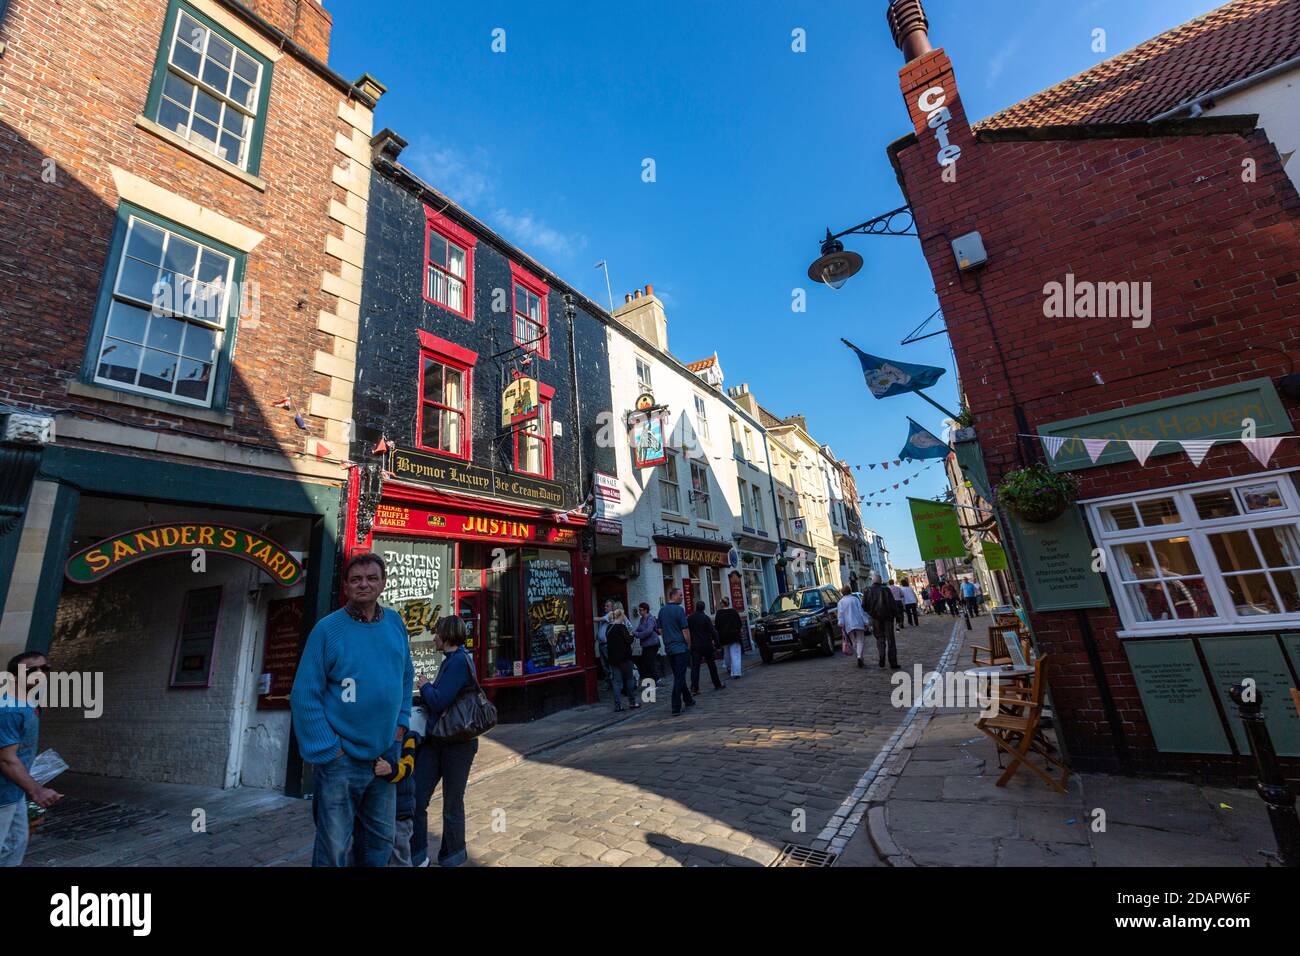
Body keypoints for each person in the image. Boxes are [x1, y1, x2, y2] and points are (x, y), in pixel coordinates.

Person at [291, 552, 413, 868]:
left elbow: (406, 675)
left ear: (383, 584)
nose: (364, 584)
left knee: (379, 843)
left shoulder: (396, 622)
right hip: (341, 761)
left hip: (385, 753)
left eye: (372, 578)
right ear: (345, 585)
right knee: (333, 848)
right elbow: (305, 696)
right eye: (356, 579)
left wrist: (400, 724)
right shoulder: (327, 630)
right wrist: (329, 750)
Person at [412, 615, 480, 867]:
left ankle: (452, 856)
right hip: (436, 741)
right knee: (416, 798)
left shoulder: (459, 661)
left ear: (447, 635)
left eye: (436, 633)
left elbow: (440, 700)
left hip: (457, 743)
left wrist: (425, 686)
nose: (433, 638)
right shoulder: (451, 660)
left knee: (452, 802)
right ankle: (416, 855)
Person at [0, 652, 62, 867]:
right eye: (32, 670)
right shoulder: (9, 709)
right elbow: (6, 760)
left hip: (13, 790)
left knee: (16, 842)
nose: (41, 675)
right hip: (2, 794)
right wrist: (36, 790)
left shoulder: (28, 703)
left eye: (45, 669)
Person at [657, 588, 695, 716]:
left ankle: (688, 699)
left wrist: (667, 640)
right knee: (679, 677)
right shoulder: (679, 610)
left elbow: (660, 630)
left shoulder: (662, 611)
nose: (682, 597)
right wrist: (688, 644)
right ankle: (675, 706)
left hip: (669, 649)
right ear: (673, 596)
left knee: (679, 675)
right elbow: (685, 630)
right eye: (680, 595)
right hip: (680, 648)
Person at [605, 604, 641, 712]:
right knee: (629, 679)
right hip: (624, 658)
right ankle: (632, 702)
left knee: (616, 682)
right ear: (620, 616)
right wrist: (632, 635)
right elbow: (629, 640)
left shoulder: (609, 628)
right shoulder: (621, 627)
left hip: (612, 658)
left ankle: (617, 705)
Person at [862, 573, 900, 669]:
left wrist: (871, 613)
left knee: (880, 639)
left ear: (873, 581)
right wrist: (897, 617)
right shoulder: (886, 590)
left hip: (876, 618)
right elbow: (893, 605)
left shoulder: (867, 590)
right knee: (890, 639)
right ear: (880, 581)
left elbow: (864, 606)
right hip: (888, 618)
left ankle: (882, 657)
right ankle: (893, 662)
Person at [688, 601, 725, 693]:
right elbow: (713, 632)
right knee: (712, 665)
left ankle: (694, 687)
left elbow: (687, 631)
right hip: (706, 645)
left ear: (696, 607)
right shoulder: (705, 618)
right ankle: (717, 684)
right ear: (704, 608)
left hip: (695, 645)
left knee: (695, 667)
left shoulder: (690, 618)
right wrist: (717, 644)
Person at [836, 585, 871, 668]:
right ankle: (859, 656)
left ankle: (859, 657)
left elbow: (840, 614)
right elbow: (861, 611)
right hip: (858, 622)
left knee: (854, 641)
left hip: (848, 625)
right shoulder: (855, 599)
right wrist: (866, 621)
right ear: (850, 591)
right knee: (860, 640)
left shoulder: (840, 602)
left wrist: (841, 623)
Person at [714, 597, 744, 680]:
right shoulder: (733, 612)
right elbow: (739, 623)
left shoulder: (719, 613)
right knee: (735, 654)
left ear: (722, 604)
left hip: (724, 637)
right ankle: (736, 672)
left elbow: (717, 626)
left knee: (727, 653)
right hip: (734, 636)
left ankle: (728, 666)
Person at [633, 603, 662, 685]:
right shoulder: (642, 619)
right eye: (639, 610)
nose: (639, 611)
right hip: (645, 644)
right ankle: (652, 679)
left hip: (652, 644)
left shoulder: (650, 619)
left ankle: (657, 679)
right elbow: (639, 629)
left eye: (641, 610)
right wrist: (634, 632)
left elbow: (648, 632)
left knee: (650, 662)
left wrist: (637, 635)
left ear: (645, 610)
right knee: (645, 662)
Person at [594, 599, 614, 689]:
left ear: (612, 607)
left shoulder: (611, 615)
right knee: (604, 665)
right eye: (605, 606)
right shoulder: (605, 615)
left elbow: (598, 619)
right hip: (601, 644)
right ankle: (608, 683)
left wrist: (587, 616)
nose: (605, 607)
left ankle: (613, 683)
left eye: (607, 606)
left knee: (609, 664)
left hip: (607, 645)